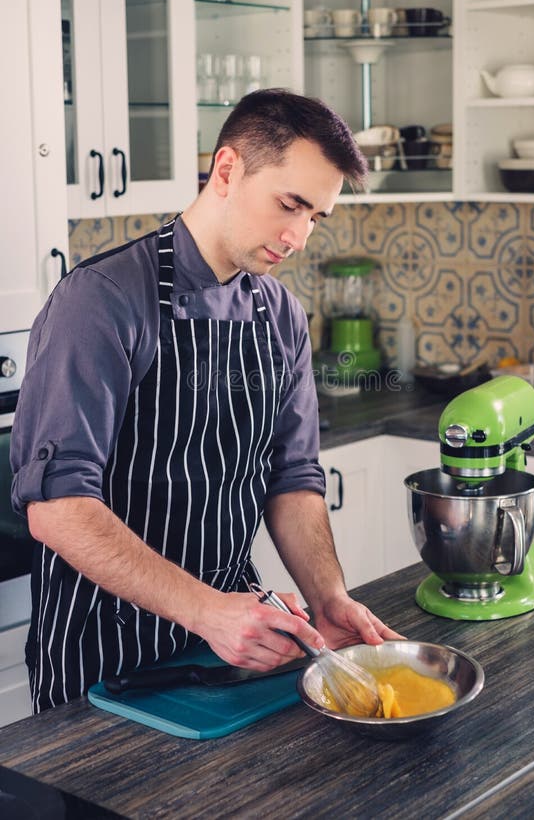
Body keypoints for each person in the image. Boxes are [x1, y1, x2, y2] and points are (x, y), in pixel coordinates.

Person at [11, 88, 400, 713]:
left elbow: (293, 480)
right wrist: (209, 612)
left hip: (230, 649)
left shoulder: (280, 316)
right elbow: (58, 508)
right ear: (227, 169)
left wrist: (328, 598)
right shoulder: (102, 301)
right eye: (290, 205)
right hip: (103, 659)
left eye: (315, 217)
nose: (299, 236)